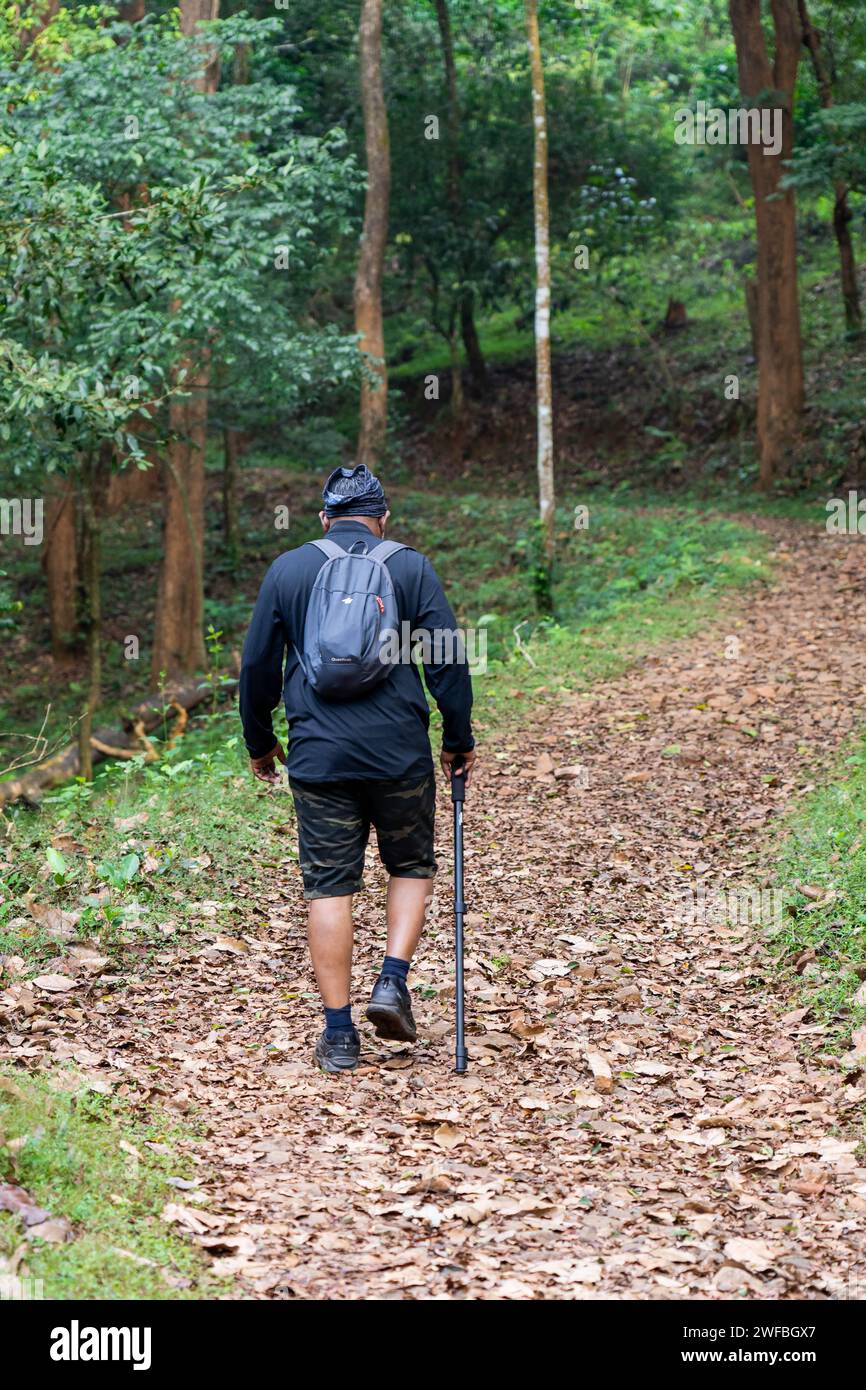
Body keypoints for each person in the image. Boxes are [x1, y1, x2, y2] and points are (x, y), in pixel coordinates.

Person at [239, 464, 476, 1073]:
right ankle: (392, 980)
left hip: (319, 756)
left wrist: (261, 742)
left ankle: (340, 1034)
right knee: (411, 864)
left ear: (324, 517)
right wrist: (457, 736)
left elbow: (258, 667)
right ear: (382, 517)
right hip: (397, 751)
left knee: (329, 886)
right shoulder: (408, 566)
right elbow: (447, 657)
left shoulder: (289, 569)